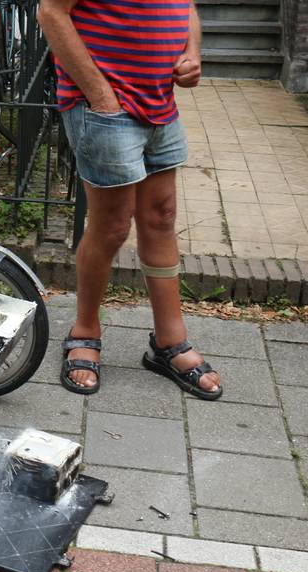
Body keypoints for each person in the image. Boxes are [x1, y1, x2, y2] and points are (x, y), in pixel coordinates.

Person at [39, 0, 222, 399]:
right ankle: (84, 329)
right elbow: (52, 12)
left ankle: (168, 343)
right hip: (106, 108)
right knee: (111, 226)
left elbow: (185, 6)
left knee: (161, 216)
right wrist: (101, 95)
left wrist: (192, 52)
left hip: (160, 104)